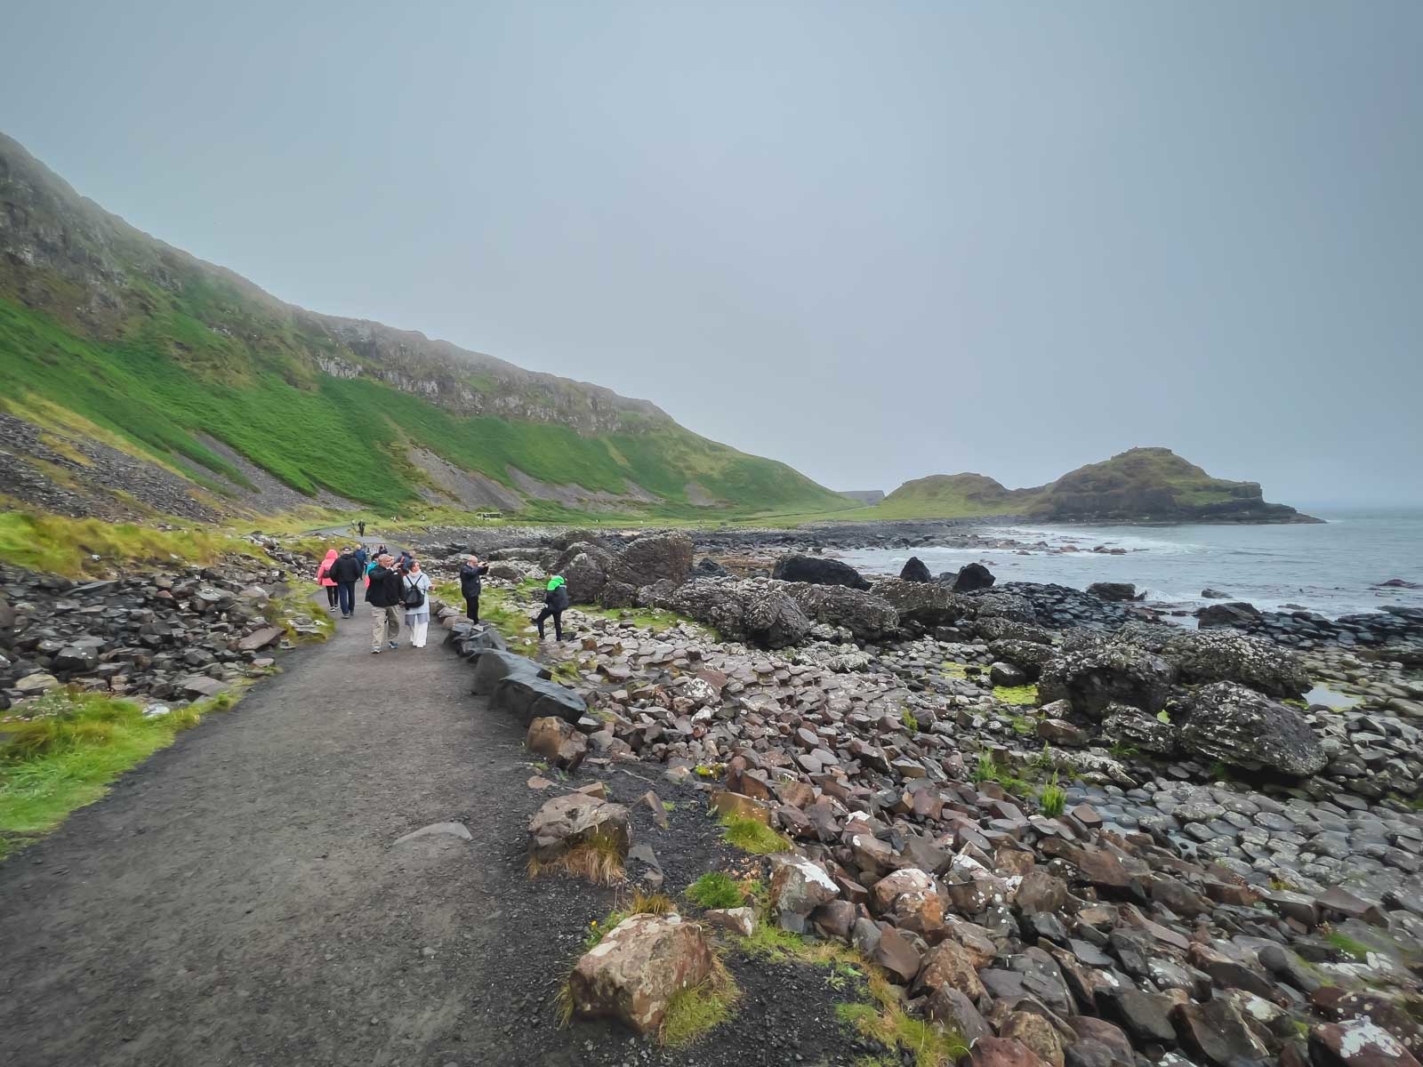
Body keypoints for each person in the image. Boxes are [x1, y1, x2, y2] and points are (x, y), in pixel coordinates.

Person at [365, 553, 403, 653]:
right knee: (379, 624)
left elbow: (400, 585)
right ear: (380, 561)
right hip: (378, 603)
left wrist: (403, 598)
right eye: (387, 561)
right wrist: (390, 570)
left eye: (391, 560)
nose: (390, 563)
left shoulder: (397, 572)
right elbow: (378, 577)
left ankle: (392, 640)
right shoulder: (374, 571)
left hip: (393, 602)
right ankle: (376, 646)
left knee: (395, 622)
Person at [401, 558, 434, 648]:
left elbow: (428, 585)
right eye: (414, 566)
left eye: (418, 565)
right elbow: (403, 589)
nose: (416, 567)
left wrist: (430, 587)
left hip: (422, 602)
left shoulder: (424, 576)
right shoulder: (405, 578)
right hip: (410, 602)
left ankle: (421, 641)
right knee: (412, 623)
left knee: (423, 622)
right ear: (410, 567)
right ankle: (414, 638)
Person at [329, 546, 364, 619]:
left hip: (341, 581)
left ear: (342, 552)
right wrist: (356, 578)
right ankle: (351, 609)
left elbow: (332, 572)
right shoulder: (354, 560)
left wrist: (335, 579)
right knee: (351, 594)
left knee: (343, 596)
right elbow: (358, 570)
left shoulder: (338, 560)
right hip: (351, 580)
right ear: (350, 551)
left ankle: (345, 612)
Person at [533, 574, 570, 642]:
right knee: (557, 622)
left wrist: (546, 603)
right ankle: (559, 639)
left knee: (540, 620)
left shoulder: (552, 582)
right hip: (560, 606)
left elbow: (549, 595)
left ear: (551, 574)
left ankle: (542, 637)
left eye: (548, 575)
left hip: (552, 606)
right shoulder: (562, 583)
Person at [459, 554, 489, 623]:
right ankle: (472, 620)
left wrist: (485, 567)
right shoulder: (465, 568)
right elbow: (472, 573)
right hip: (469, 591)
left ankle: (474, 620)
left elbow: (482, 572)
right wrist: (478, 566)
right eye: (475, 563)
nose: (476, 564)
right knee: (472, 607)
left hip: (475, 591)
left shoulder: (474, 568)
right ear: (470, 562)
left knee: (475, 606)